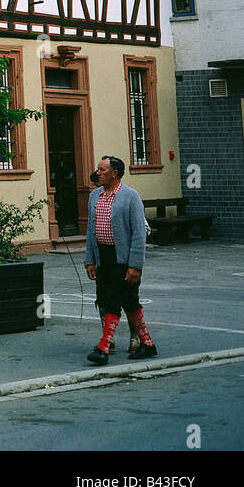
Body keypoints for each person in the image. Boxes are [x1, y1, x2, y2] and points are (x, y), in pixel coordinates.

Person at [84, 155, 156, 364]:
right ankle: (148, 344)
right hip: (103, 257)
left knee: (113, 299)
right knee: (128, 301)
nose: (98, 173)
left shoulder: (130, 196)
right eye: (98, 169)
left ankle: (103, 347)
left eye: (102, 169)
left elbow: (139, 233)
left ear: (114, 173)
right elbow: (91, 230)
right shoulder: (95, 196)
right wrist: (90, 259)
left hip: (122, 259)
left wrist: (135, 266)